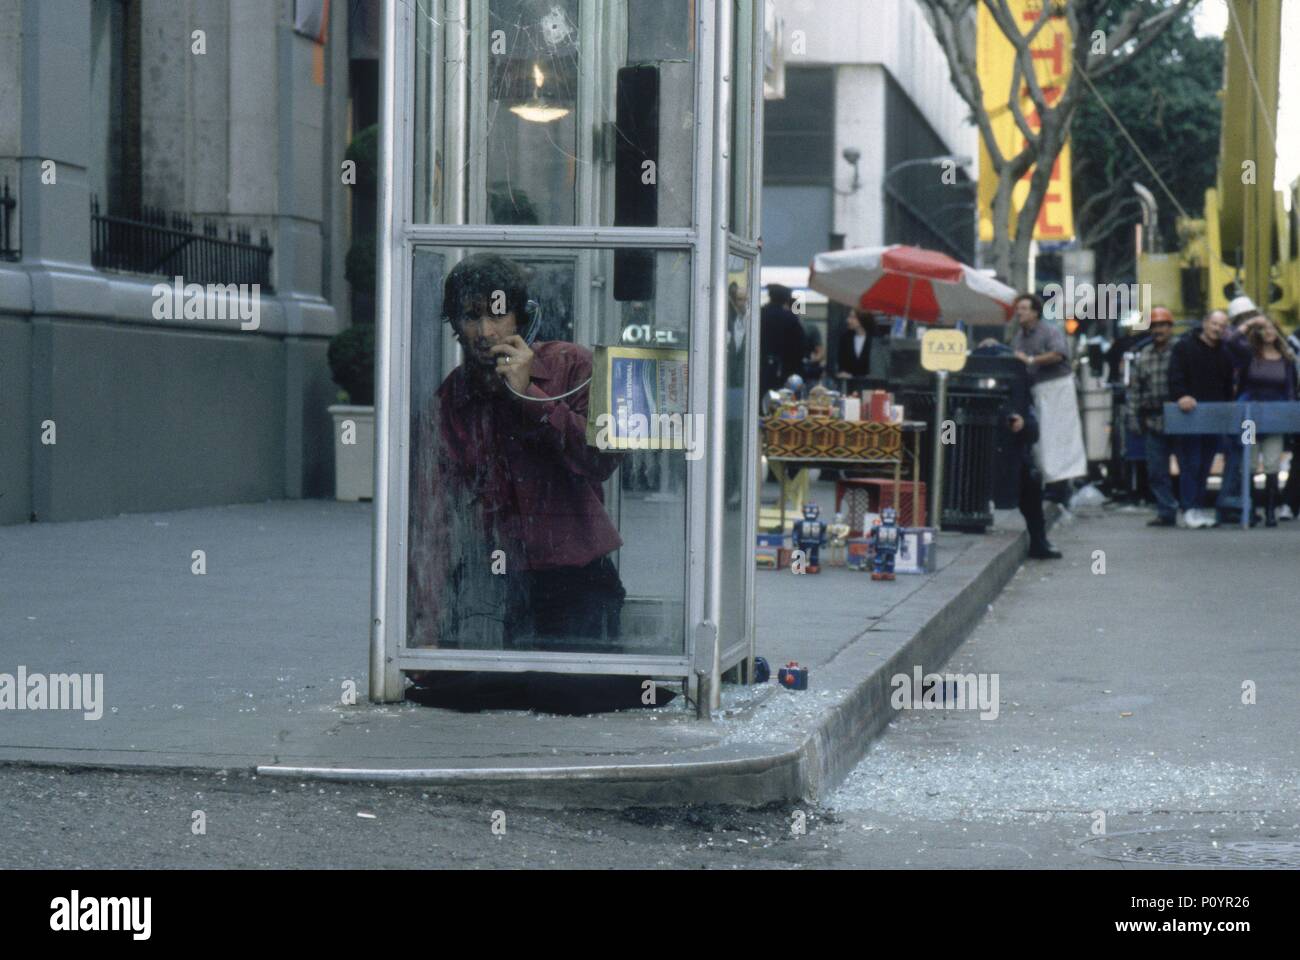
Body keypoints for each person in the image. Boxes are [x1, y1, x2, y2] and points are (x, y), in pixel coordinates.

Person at [412, 253, 627, 655]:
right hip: (495, 582)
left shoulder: (570, 366)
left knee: (577, 694)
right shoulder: (452, 399)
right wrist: (426, 621)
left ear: (521, 317)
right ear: (455, 325)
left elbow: (602, 460)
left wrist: (531, 394)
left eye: (497, 314)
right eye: (471, 317)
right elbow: (434, 516)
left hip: (578, 576)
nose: (484, 332)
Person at [974, 339, 1061, 559]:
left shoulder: (1018, 390)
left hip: (1009, 454)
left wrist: (1021, 424)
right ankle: (1039, 542)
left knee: (1031, 485)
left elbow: (1032, 429)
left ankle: (1039, 541)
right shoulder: (972, 382)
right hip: (979, 452)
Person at [1009, 293, 1087, 503]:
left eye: (1024, 308)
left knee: (1059, 435)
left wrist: (1031, 359)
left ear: (1035, 312)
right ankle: (1050, 482)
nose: (1019, 312)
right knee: (1043, 436)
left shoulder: (1049, 331)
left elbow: (1058, 354)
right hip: (1036, 389)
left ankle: (1059, 486)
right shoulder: (1018, 337)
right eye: (1018, 309)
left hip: (1057, 386)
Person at [1223, 312, 1298, 526]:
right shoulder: (1249, 354)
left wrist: (1291, 418)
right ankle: (1252, 509)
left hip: (1276, 415)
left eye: (1272, 329)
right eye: (1265, 329)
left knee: (1273, 462)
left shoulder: (1286, 359)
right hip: (1250, 416)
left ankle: (1271, 511)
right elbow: (1230, 340)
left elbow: (1291, 389)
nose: (1269, 333)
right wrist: (1251, 322)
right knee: (1250, 461)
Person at [1167, 309, 1234, 529]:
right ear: (1205, 323)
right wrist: (1181, 395)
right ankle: (1188, 509)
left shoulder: (1225, 353)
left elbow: (1227, 386)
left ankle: (1197, 508)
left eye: (1222, 326)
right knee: (1190, 464)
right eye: (1214, 324)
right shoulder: (1184, 347)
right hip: (1189, 415)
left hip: (1213, 416)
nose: (1217, 329)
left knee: (1205, 465)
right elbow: (1175, 376)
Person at [1127, 307, 1179, 526]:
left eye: (1162, 326)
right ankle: (1166, 511)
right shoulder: (1144, 355)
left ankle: (1190, 507)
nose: (1158, 330)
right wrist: (1133, 417)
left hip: (1179, 416)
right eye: (1155, 326)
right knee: (1156, 469)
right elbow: (1135, 389)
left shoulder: (1180, 351)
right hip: (1153, 418)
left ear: (1170, 328)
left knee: (1187, 465)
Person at [760, 284, 807, 402]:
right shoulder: (790, 318)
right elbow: (800, 347)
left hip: (761, 367)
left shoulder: (760, 314)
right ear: (785, 299)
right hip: (785, 369)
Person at [835, 309, 875, 393]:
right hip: (849, 386)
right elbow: (841, 360)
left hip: (869, 386)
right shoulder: (845, 338)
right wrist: (843, 372)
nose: (848, 320)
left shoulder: (874, 339)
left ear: (862, 320)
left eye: (853, 317)